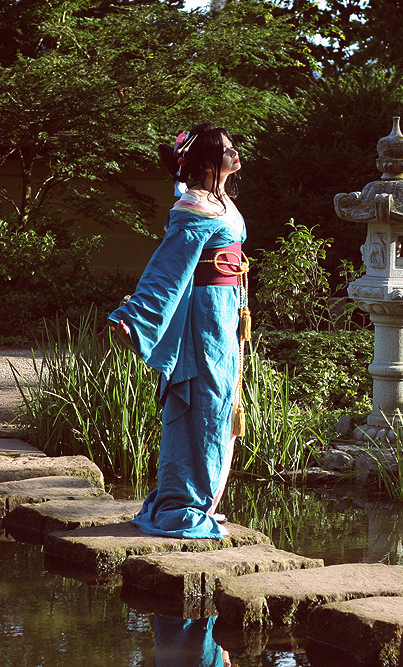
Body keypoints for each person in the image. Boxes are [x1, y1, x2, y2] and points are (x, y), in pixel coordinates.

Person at [108, 122, 248, 539]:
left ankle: (201, 501)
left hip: (225, 315)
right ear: (206, 160)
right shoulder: (194, 206)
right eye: (227, 148)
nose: (235, 152)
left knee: (221, 400)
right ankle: (180, 505)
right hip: (202, 317)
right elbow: (169, 268)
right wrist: (135, 315)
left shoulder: (220, 201)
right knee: (201, 403)